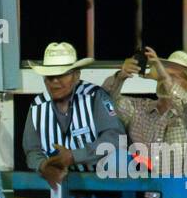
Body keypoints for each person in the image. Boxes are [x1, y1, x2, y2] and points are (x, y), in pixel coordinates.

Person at [22, 42, 125, 190]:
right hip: (58, 186)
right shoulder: (38, 105)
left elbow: (115, 138)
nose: (55, 81)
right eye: (49, 77)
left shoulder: (94, 96)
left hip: (102, 184)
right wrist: (43, 166)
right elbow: (31, 150)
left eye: (62, 75)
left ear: (77, 76)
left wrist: (74, 156)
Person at [102, 48, 187, 177]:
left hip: (182, 194)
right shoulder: (139, 108)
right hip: (145, 193)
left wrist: (167, 80)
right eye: (163, 74)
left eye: (174, 77)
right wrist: (120, 76)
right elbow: (105, 105)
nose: (165, 79)